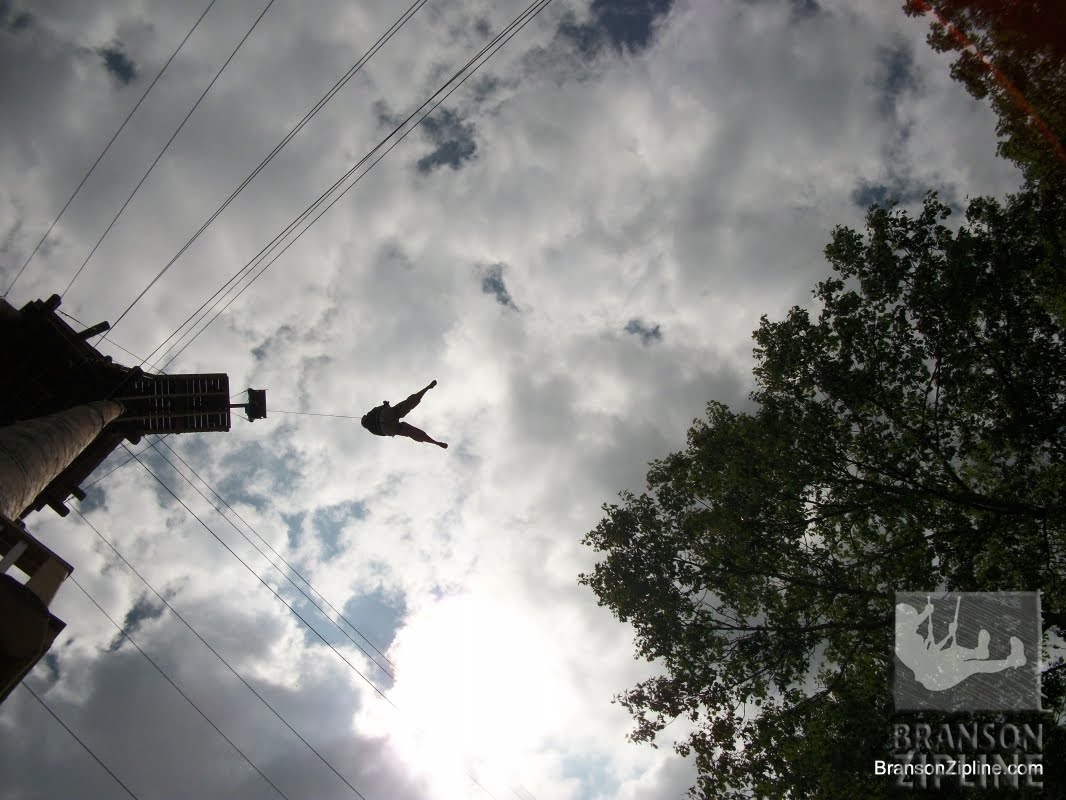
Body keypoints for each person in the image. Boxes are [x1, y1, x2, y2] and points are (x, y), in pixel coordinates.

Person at [895, 597, 1025, 692]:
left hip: (935, 666)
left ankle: (979, 652)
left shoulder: (908, 634)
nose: (915, 625)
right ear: (902, 624)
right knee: (973, 665)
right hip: (935, 678)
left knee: (955, 650)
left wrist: (926, 613)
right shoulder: (903, 646)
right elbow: (930, 655)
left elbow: (914, 623)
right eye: (910, 622)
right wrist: (948, 636)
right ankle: (1013, 661)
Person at [361, 380, 447, 448]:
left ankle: (435, 442)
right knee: (408, 403)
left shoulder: (371, 430)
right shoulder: (370, 414)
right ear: (365, 418)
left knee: (410, 431)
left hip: (387, 429)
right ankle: (427, 388)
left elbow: (383, 434)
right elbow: (381, 408)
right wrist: (386, 404)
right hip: (385, 416)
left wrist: (393, 428)